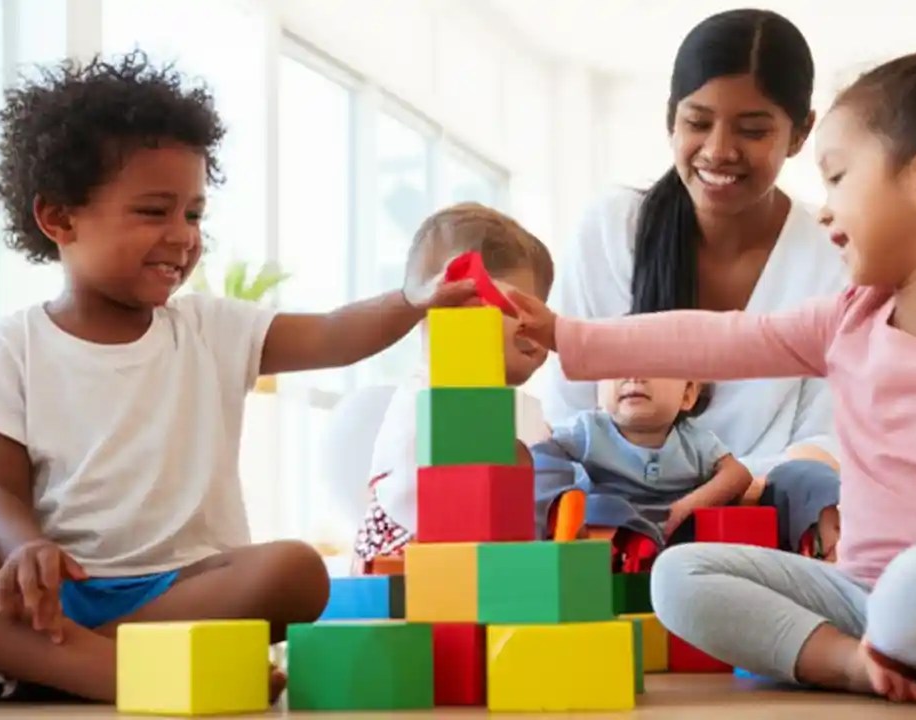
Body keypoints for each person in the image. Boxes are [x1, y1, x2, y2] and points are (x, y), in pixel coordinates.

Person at [509, 13, 916, 702]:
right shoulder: (850, 318)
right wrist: (568, 334)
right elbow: (714, 340)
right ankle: (852, 663)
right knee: (679, 575)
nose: (826, 211)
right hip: (862, 597)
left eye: (839, 179)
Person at [0, 51, 478, 708]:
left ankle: (25, 666)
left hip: (181, 590)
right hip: (47, 592)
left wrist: (412, 300)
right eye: (155, 211)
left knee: (294, 571)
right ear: (59, 219)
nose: (183, 237)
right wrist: (26, 546)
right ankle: (108, 671)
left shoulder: (211, 328)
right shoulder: (13, 346)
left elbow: (330, 334)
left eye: (194, 214)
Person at [536, 9, 844, 557]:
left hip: (763, 519)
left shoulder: (832, 251)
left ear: (800, 133)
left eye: (753, 130)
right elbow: (568, 411)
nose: (719, 150)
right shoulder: (613, 227)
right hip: (617, 515)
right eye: (698, 122)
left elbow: (825, 440)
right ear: (670, 120)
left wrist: (717, 494)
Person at [352, 203, 555, 573]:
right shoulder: (428, 395)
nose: (534, 325)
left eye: (539, 310)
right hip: (408, 558)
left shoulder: (511, 405)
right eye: (514, 308)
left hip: (470, 561)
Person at [532, 377, 757, 569]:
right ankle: (617, 556)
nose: (634, 375)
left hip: (672, 535)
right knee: (600, 505)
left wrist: (688, 506)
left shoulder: (696, 441)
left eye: (653, 366)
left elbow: (737, 474)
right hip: (609, 532)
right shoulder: (587, 431)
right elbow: (544, 456)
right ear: (600, 390)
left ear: (688, 393)